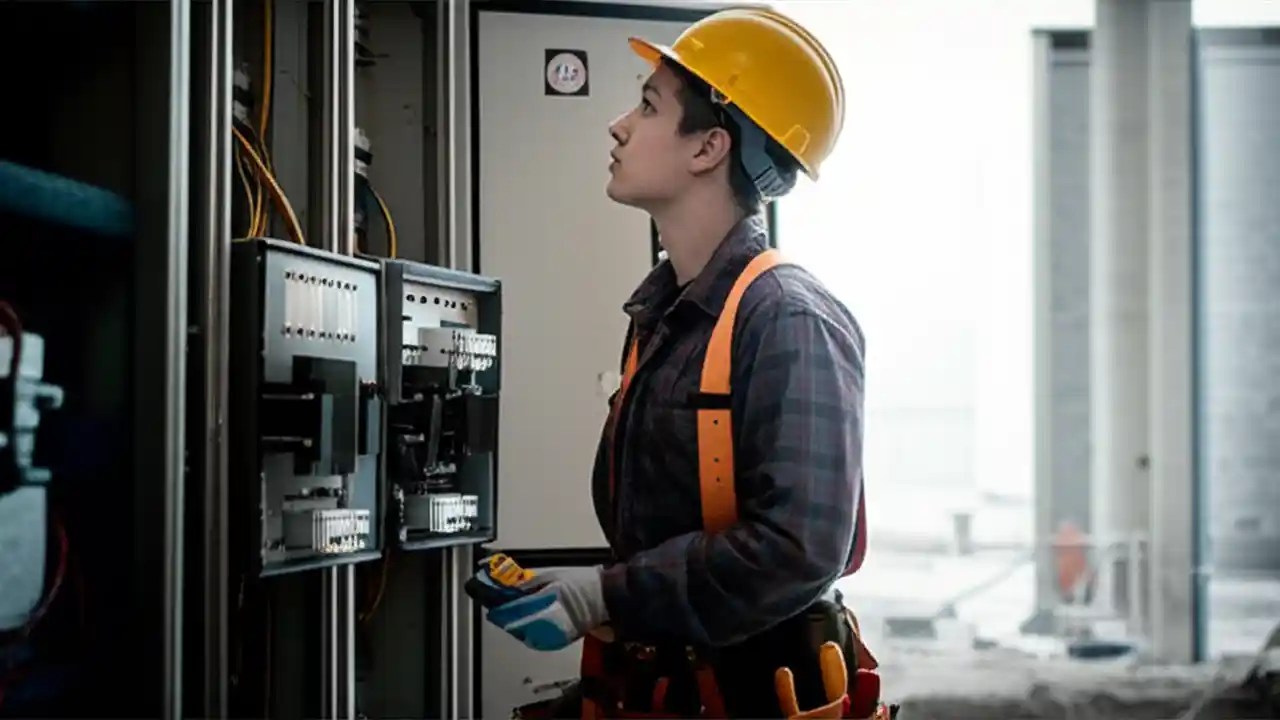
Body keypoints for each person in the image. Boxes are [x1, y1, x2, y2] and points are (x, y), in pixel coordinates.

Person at [476, 7, 878, 718]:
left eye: (649, 105)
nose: (619, 124)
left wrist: (601, 595)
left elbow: (797, 550)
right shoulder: (666, 317)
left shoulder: (787, 319)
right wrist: (580, 596)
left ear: (708, 148)